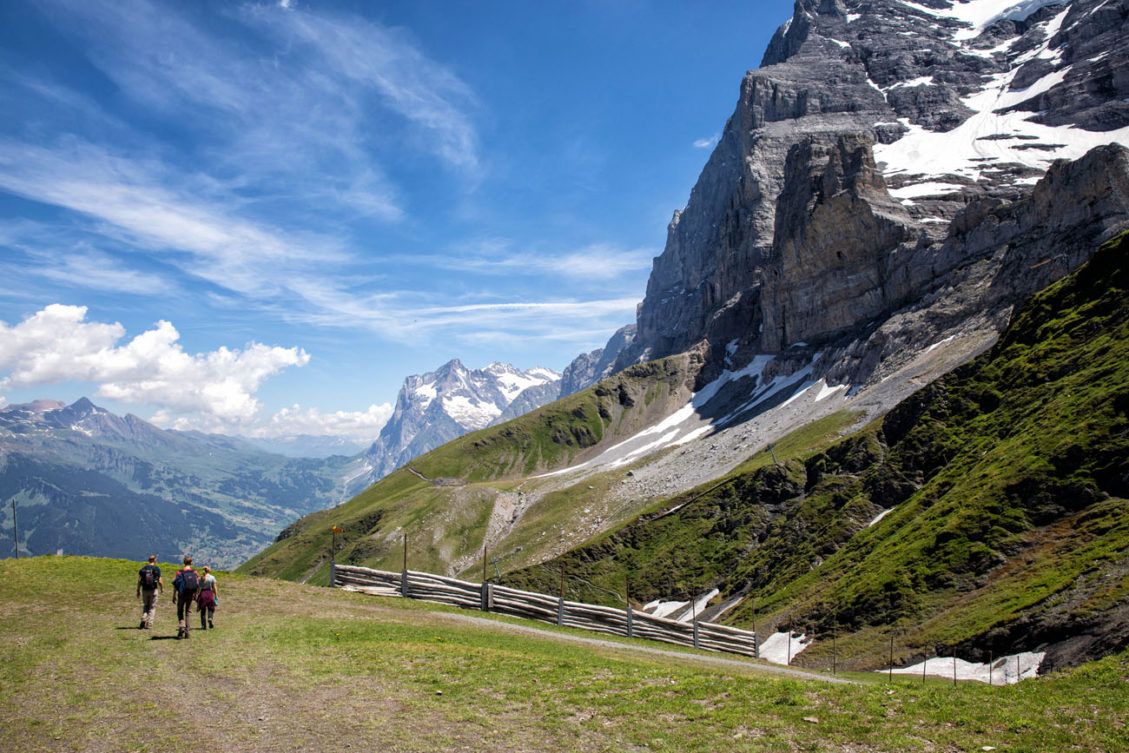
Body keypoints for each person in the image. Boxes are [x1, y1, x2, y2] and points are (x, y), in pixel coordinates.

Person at [172, 555, 200, 640]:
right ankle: (187, 632)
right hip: (190, 594)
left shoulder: (179, 572)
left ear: (184, 563)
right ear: (191, 562)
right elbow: (198, 584)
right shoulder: (195, 572)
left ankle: (181, 627)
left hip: (181, 594)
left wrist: (173, 595)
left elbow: (176, 585)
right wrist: (196, 594)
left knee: (180, 611)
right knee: (187, 612)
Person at [136, 554, 164, 630]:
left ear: (148, 560)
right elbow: (160, 581)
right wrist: (162, 589)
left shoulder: (143, 569)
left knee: (146, 605)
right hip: (153, 590)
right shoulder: (156, 569)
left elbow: (139, 581)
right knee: (152, 607)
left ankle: (143, 619)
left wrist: (138, 590)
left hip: (144, 590)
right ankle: (149, 624)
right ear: (155, 560)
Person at [197, 566, 219, 630]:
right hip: (209, 593)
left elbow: (198, 588)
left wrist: (197, 594)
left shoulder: (199, 578)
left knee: (203, 610)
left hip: (202, 594)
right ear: (208, 570)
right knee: (211, 608)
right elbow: (214, 587)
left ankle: (203, 625)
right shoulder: (212, 577)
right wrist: (216, 595)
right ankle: (210, 618)